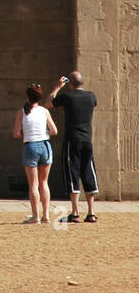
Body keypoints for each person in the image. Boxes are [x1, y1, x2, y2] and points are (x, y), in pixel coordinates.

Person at [46, 71, 98, 222]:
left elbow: (48, 103)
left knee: (72, 173)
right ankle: (91, 212)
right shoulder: (91, 96)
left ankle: (75, 212)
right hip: (87, 140)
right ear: (82, 82)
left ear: (70, 83)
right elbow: (93, 104)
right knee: (88, 172)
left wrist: (57, 87)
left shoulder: (67, 97)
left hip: (72, 139)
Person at [13, 82, 57, 224]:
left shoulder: (21, 112)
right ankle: (46, 215)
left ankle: (35, 216)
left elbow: (16, 133)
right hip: (45, 145)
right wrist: (44, 132)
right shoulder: (44, 111)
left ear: (27, 96)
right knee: (44, 182)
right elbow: (54, 131)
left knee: (33, 184)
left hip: (30, 145)